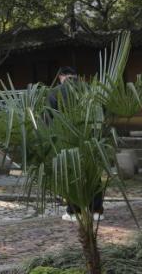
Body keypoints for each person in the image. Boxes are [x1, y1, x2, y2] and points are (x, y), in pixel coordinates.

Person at [49, 66, 105, 223]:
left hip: (67, 138)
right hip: (91, 135)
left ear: (61, 77)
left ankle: (74, 212)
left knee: (71, 172)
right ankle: (96, 210)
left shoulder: (55, 92)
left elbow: (50, 118)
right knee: (92, 172)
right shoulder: (90, 89)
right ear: (76, 76)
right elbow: (101, 111)